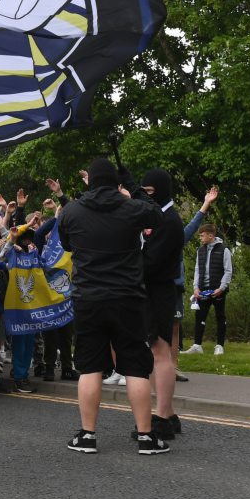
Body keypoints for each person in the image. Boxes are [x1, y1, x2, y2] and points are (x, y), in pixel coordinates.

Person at [58, 159, 169, 456]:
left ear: (90, 181)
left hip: (88, 298)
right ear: (114, 181)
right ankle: (146, 437)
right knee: (135, 367)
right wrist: (131, 187)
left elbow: (66, 244)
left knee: (90, 367)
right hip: (127, 297)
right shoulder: (131, 208)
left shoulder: (72, 211)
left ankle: (87, 435)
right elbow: (158, 215)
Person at [140, 168, 186, 439]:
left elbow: (151, 263)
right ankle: (167, 412)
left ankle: (162, 417)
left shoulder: (169, 221)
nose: (146, 197)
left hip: (158, 292)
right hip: (155, 291)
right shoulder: (162, 215)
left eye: (149, 192)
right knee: (158, 353)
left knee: (161, 353)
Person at [186, 223, 232, 355]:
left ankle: (219, 346)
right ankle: (197, 345)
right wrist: (196, 287)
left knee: (220, 316)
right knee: (199, 316)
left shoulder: (224, 250)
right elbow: (197, 270)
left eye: (202, 235)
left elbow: (228, 271)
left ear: (211, 235)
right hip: (202, 290)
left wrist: (222, 288)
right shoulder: (200, 250)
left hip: (218, 290)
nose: (200, 238)